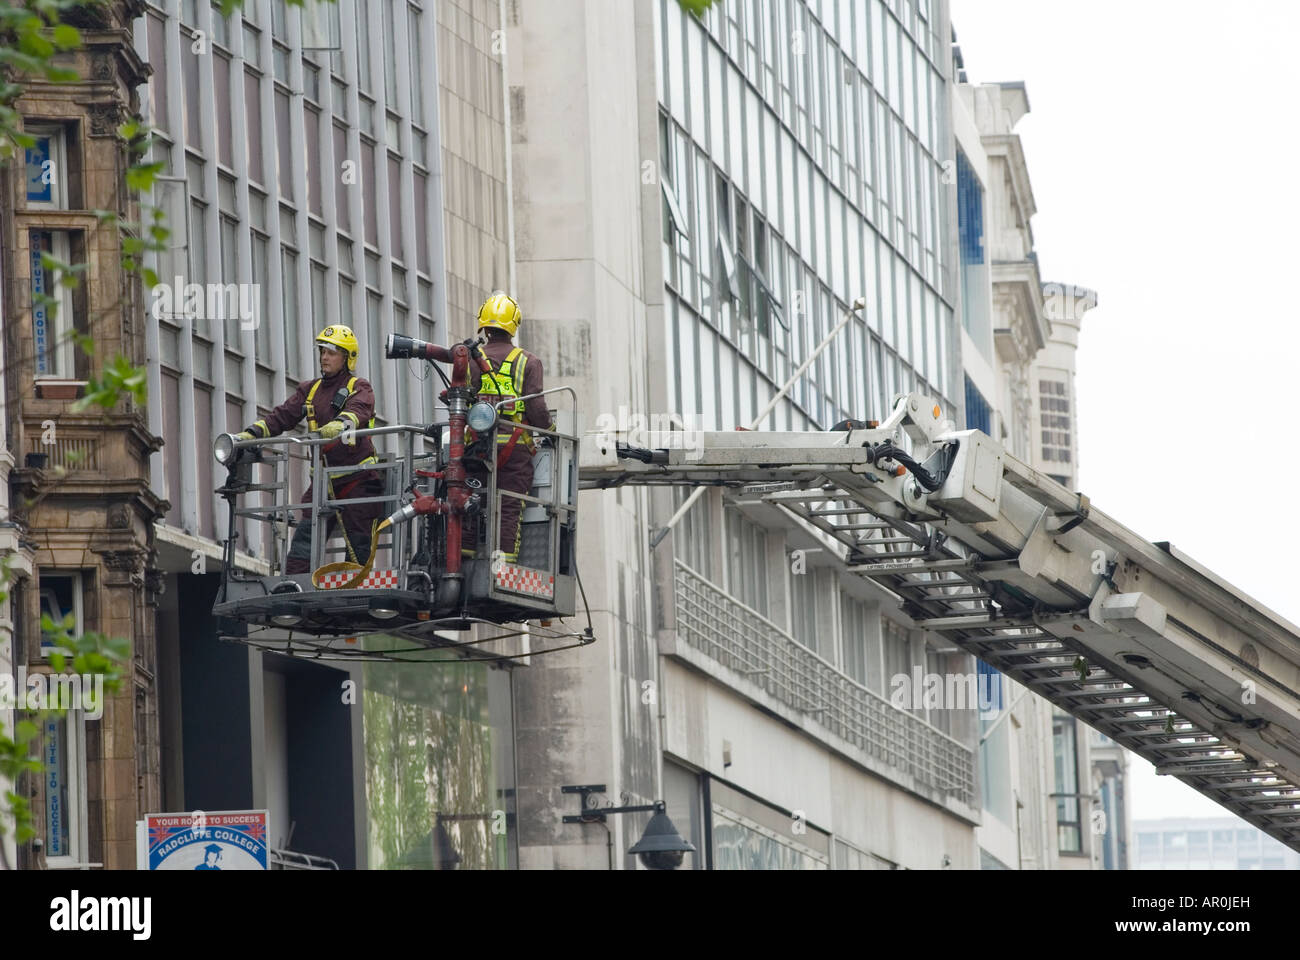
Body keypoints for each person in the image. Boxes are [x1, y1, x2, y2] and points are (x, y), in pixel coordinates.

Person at [233, 325, 384, 575]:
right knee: (304, 541)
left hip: (359, 481)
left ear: (347, 358)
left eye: (332, 352)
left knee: (357, 545)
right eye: (323, 351)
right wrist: (251, 434)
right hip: (323, 484)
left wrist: (338, 425)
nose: (324, 357)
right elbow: (281, 417)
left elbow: (358, 411)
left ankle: (355, 586)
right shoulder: (310, 390)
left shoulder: (360, 387)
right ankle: (294, 586)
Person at [466, 292, 550, 563]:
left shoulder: (470, 360)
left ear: (484, 325)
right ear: (514, 324)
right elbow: (536, 408)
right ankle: (503, 566)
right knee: (509, 506)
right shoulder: (529, 361)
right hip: (513, 450)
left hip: (475, 446)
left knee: (470, 499)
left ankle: (464, 557)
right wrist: (550, 430)